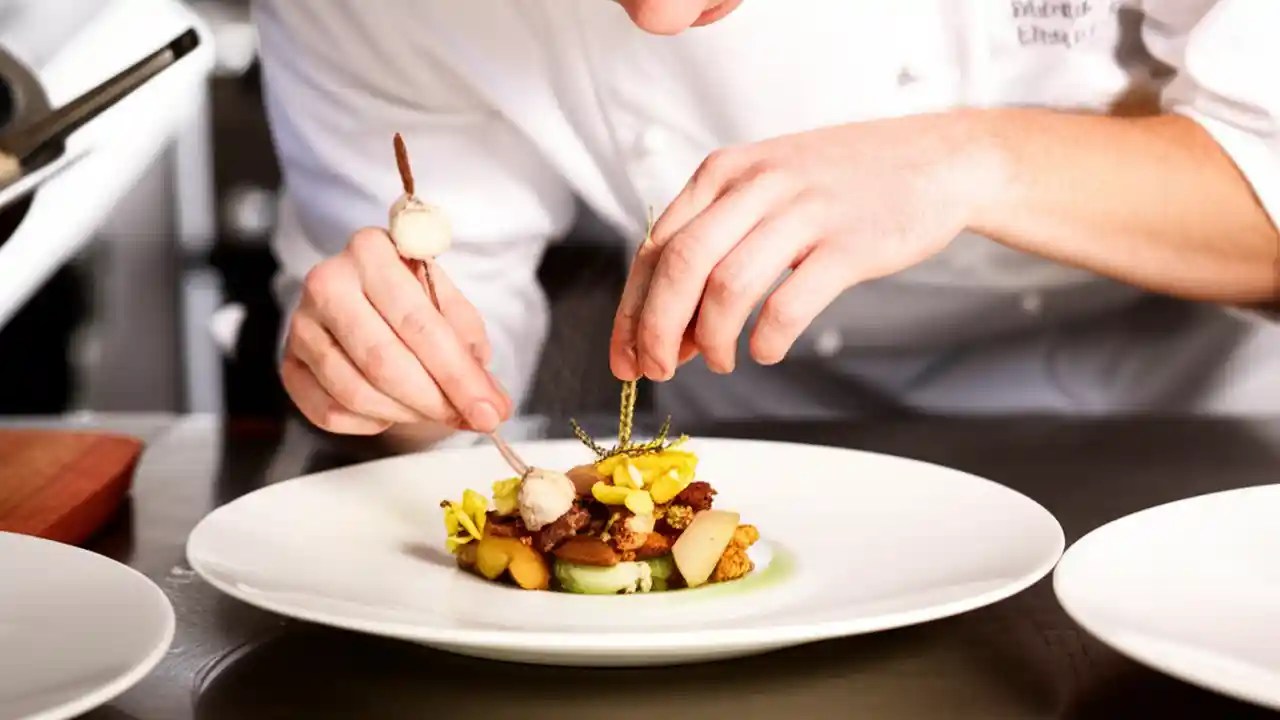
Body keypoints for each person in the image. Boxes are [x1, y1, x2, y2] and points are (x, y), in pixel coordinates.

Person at [253, 0, 1280, 440]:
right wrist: (387, 374)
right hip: (772, 465)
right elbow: (447, 347)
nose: (657, 17)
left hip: (1194, 442)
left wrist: (969, 161)